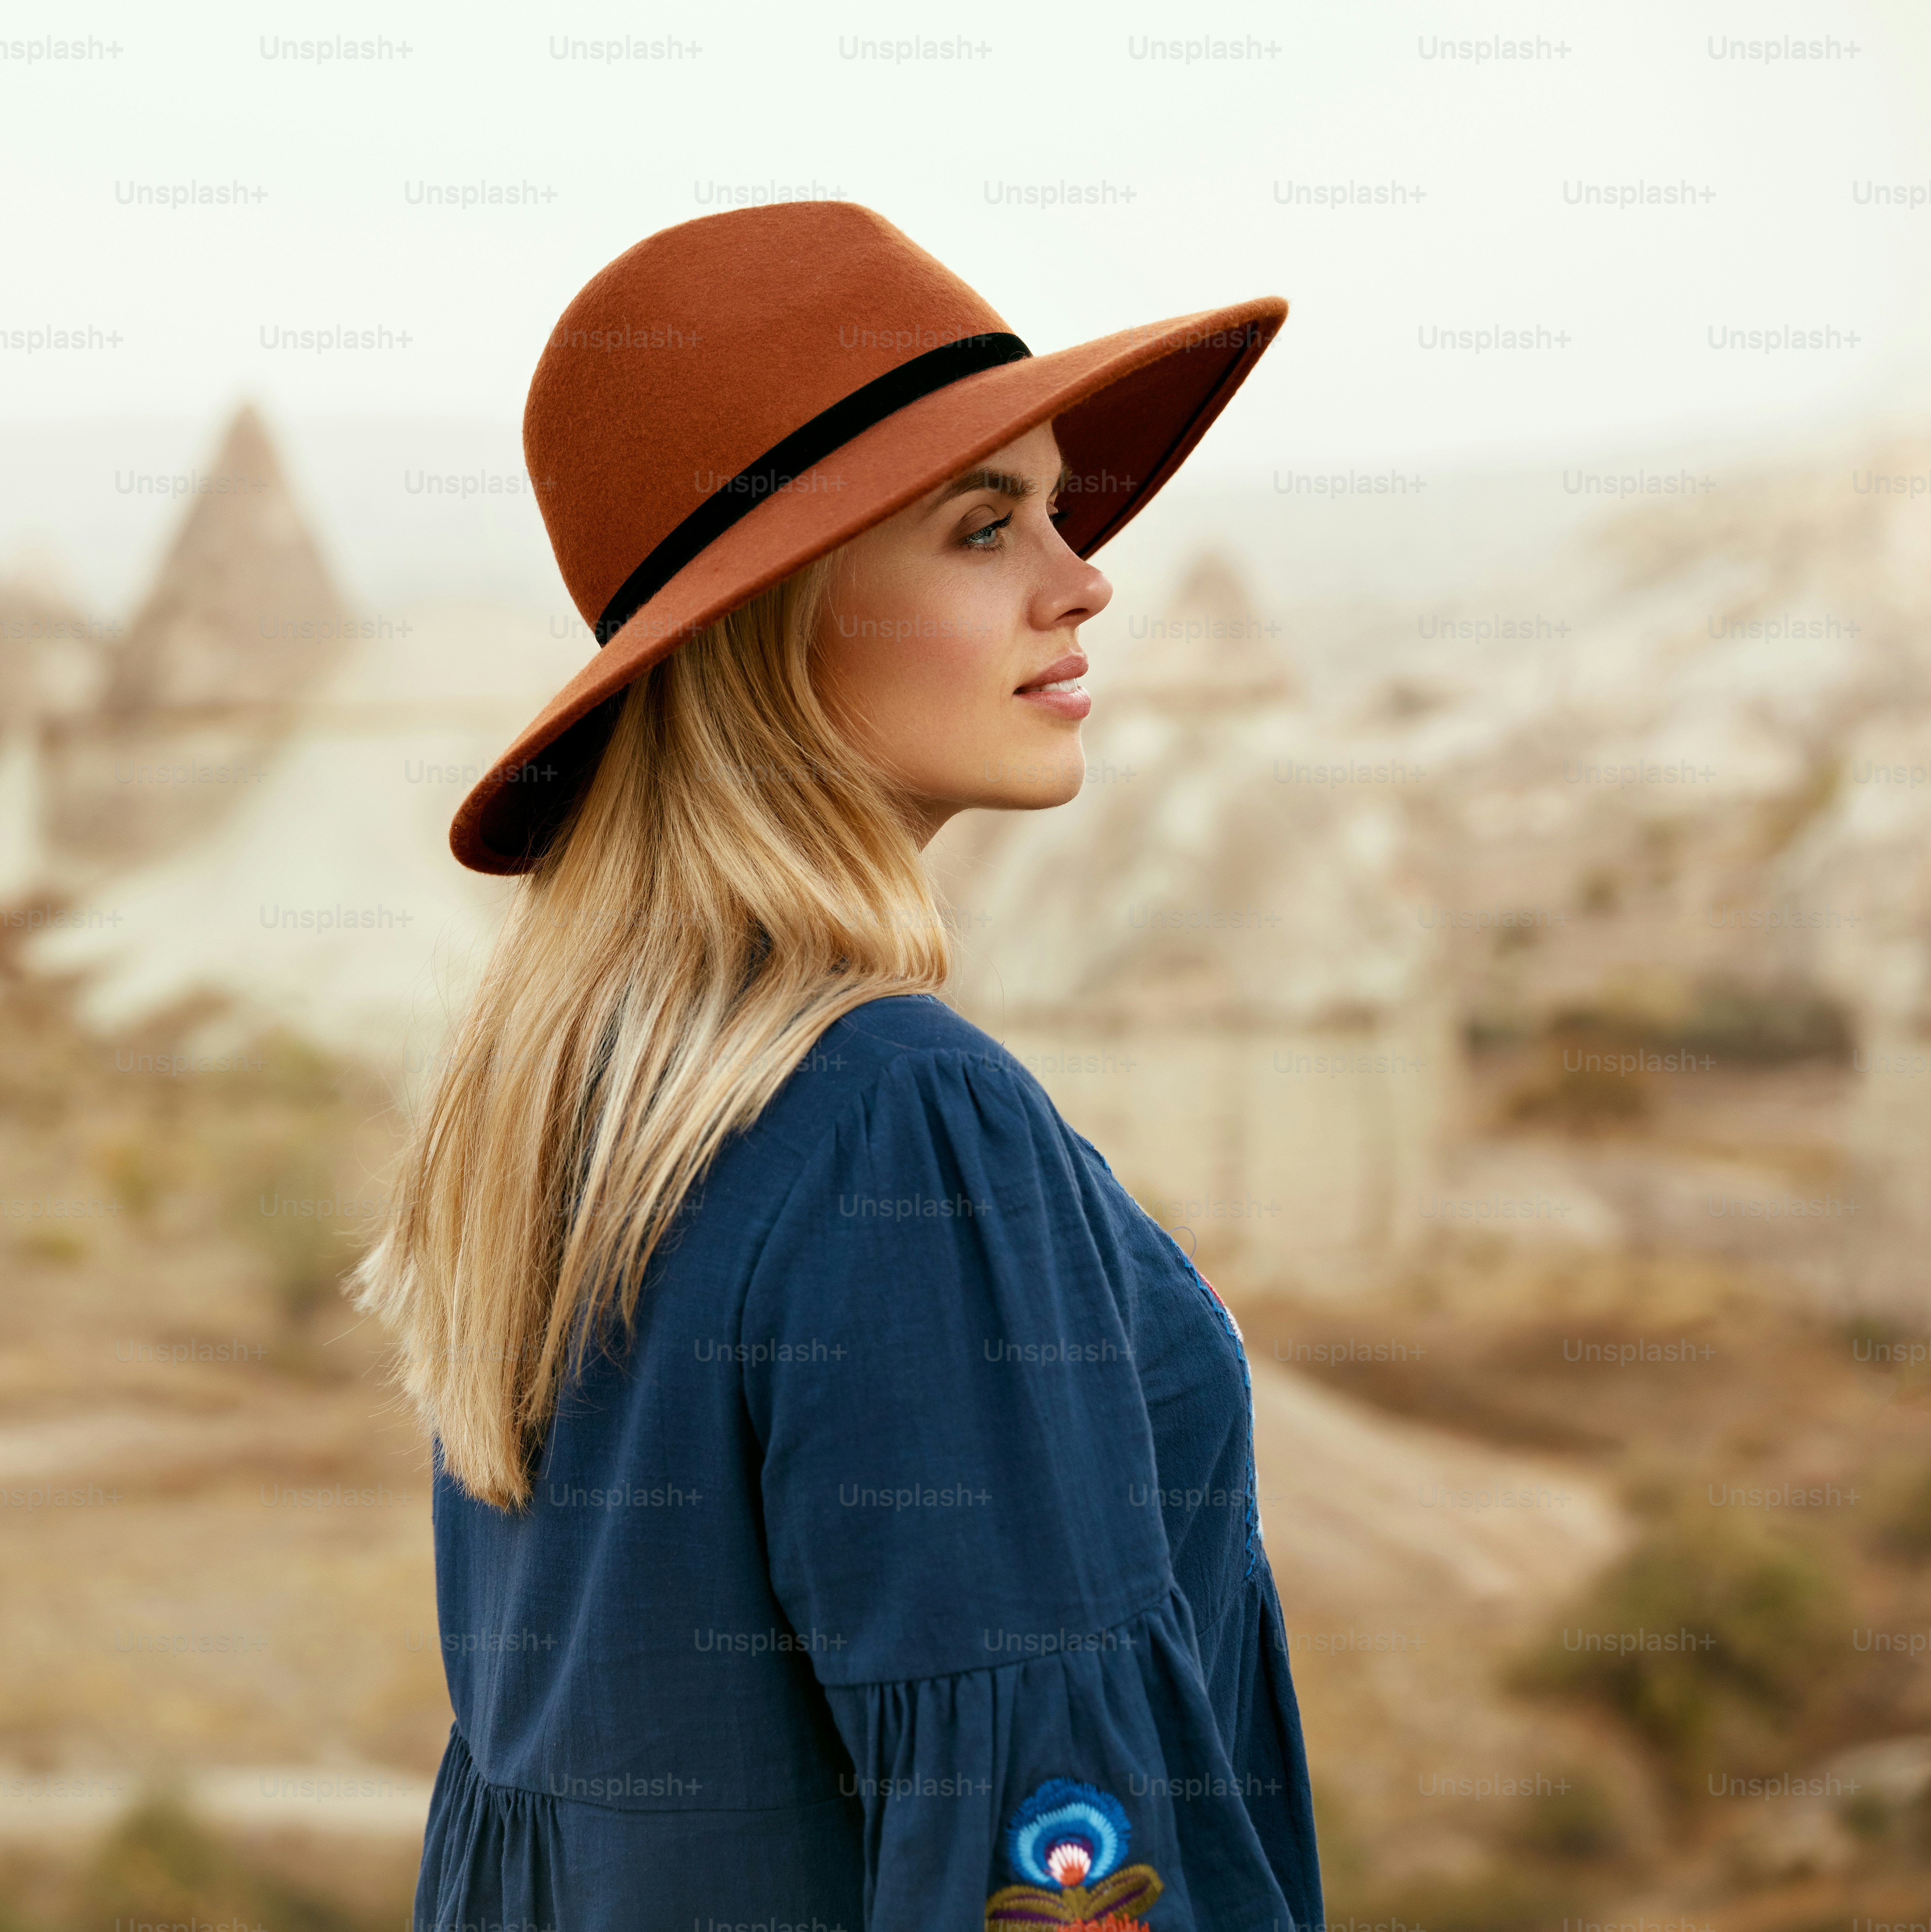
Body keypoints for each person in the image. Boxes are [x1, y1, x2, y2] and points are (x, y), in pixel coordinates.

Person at [353, 201, 1323, 1932]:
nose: (1083, 575)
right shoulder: (898, 1122)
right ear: (772, 628)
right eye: (981, 526)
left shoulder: (571, 1096)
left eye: (1056, 509)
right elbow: (1047, 1852)